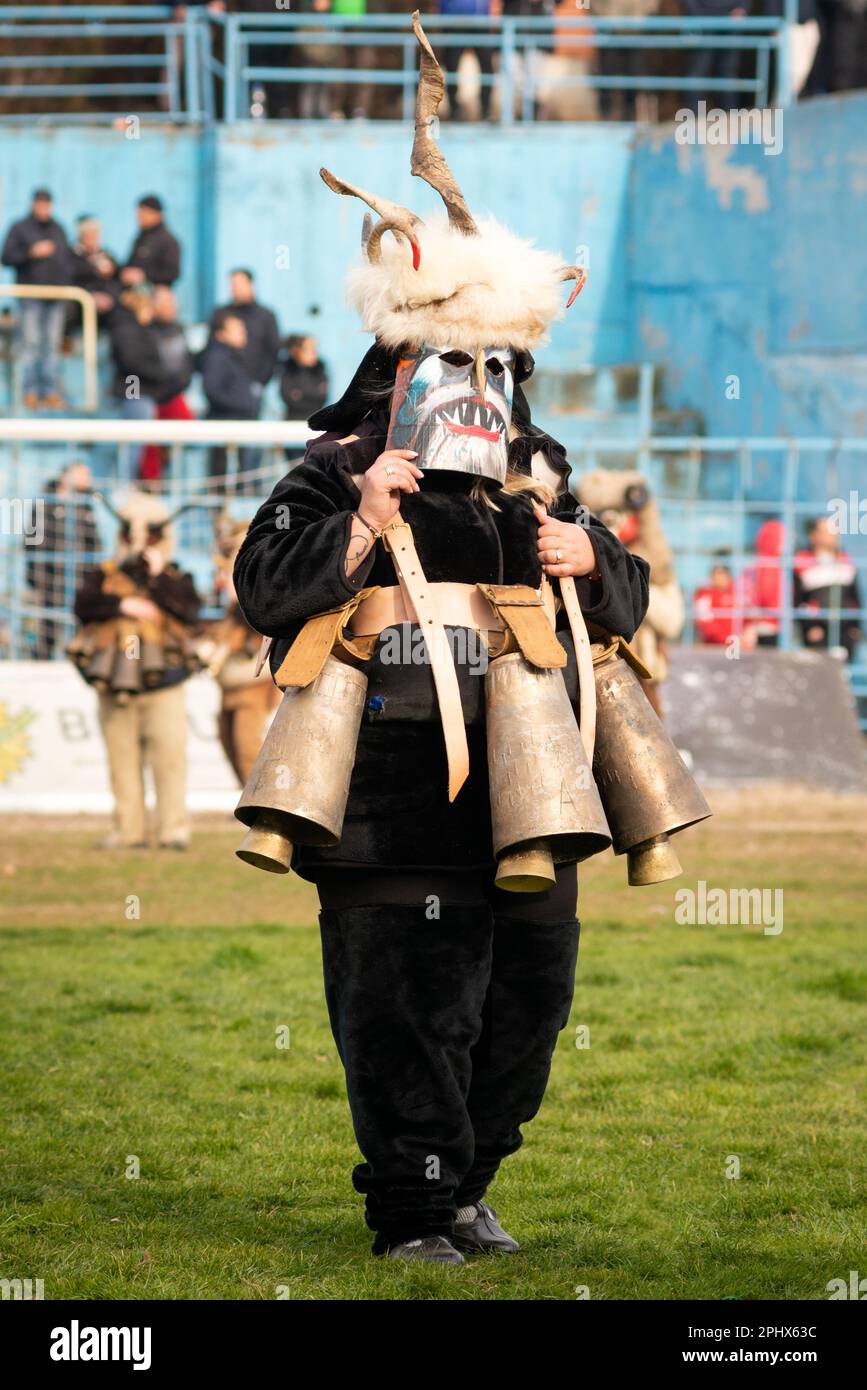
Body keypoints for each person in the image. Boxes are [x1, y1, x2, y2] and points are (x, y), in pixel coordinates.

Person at [234, 16, 649, 1266]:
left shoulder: (540, 476)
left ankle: (468, 1178)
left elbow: (622, 604)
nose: (481, 378)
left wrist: (595, 558)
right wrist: (363, 520)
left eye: (494, 359)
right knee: (405, 1006)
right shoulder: (338, 465)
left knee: (529, 997)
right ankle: (413, 1207)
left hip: (533, 790)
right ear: (406, 353)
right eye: (455, 354)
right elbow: (267, 585)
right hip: (386, 797)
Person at [72, 492, 201, 850]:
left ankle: (173, 830)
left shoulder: (176, 577)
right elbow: (83, 606)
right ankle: (128, 831)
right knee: (121, 761)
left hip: (165, 683)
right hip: (114, 682)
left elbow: (189, 612)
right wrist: (121, 603)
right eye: (133, 534)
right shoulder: (105, 575)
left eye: (151, 535)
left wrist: (158, 577)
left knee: (170, 759)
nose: (142, 542)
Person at [576, 469, 683, 716]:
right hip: (605, 670)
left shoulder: (654, 564)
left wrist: (628, 583)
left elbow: (672, 623)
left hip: (644, 672)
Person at [203, 517, 281, 784]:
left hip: (254, 685)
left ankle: (265, 809)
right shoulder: (233, 608)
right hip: (232, 686)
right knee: (229, 743)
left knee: (248, 747)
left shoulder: (262, 585)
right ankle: (252, 801)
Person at [1, 188, 72, 410]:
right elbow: (7, 257)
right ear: (33, 204)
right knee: (30, 342)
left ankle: (50, 391)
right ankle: (29, 390)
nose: (43, 209)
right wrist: (31, 253)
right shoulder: (20, 228)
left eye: (47, 204)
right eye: (40, 204)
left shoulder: (58, 229)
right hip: (31, 296)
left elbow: (66, 260)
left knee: (51, 344)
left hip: (55, 296)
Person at [25, 462, 100, 660]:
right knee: (47, 630)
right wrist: (37, 580)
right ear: (66, 477)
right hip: (51, 580)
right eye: (83, 474)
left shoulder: (85, 507)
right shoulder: (43, 506)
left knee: (80, 628)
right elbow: (31, 544)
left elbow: (94, 544)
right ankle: (39, 667)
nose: (88, 480)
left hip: (79, 579)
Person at [199, 309, 258, 489]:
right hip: (225, 422)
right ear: (221, 335)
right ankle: (220, 511)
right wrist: (241, 406)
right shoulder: (217, 357)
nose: (243, 332)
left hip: (241, 421)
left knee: (244, 471)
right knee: (221, 471)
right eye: (237, 329)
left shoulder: (238, 356)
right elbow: (212, 390)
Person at [208, 269, 280, 411]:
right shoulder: (221, 313)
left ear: (251, 285)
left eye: (239, 284)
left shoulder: (266, 316)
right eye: (232, 285)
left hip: (253, 387)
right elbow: (211, 350)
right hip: (226, 396)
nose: (234, 289)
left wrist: (258, 383)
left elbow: (273, 352)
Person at [794, 516, 861, 662]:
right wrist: (808, 628)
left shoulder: (846, 562)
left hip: (844, 631)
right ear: (814, 536)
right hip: (817, 633)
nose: (832, 535)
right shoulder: (802, 562)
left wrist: (855, 628)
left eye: (834, 531)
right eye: (826, 531)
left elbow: (855, 598)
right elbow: (797, 601)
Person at [68, 215, 121, 330]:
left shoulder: (106, 255)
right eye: (89, 235)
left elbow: (118, 280)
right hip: (78, 312)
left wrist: (109, 297)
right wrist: (92, 295)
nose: (93, 238)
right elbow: (71, 279)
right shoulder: (72, 255)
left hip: (106, 314)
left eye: (95, 234)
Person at [740, 518, 785, 649]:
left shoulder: (751, 566)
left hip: (751, 627)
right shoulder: (771, 567)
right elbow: (770, 599)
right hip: (768, 629)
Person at [120, 195, 182, 289]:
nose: (139, 218)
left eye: (143, 214)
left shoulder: (168, 241)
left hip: (155, 295)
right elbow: (131, 264)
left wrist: (144, 275)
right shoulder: (140, 238)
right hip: (132, 291)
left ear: (157, 215)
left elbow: (172, 273)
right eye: (138, 214)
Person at [279, 333, 329, 421]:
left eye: (315, 349)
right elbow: (287, 397)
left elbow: (321, 398)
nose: (314, 353)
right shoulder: (288, 370)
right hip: (293, 420)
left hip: (315, 420)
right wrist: (311, 395)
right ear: (297, 351)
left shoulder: (320, 369)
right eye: (308, 349)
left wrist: (301, 395)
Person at [693, 559, 737, 646]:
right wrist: (727, 639)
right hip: (713, 646)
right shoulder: (705, 594)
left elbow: (749, 617)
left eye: (721, 573)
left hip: (736, 645)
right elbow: (705, 622)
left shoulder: (738, 592)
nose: (717, 577)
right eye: (715, 574)